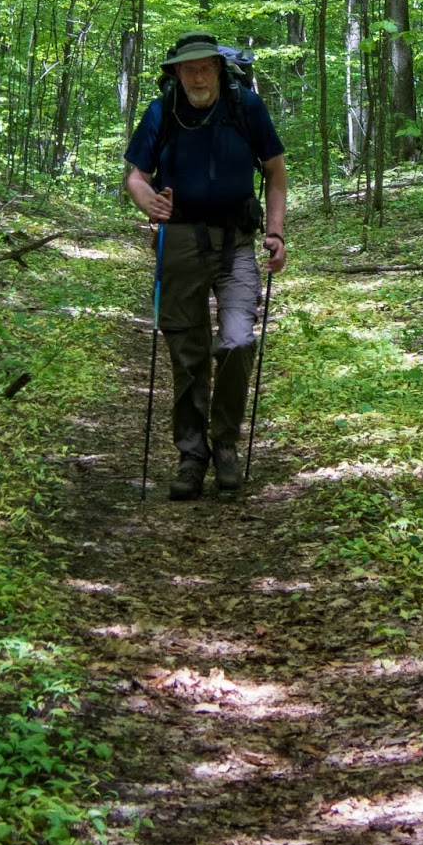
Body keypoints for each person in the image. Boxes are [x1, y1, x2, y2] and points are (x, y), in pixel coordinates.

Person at [125, 32, 287, 500]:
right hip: (179, 242)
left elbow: (275, 172)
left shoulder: (246, 108)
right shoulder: (161, 113)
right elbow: (136, 175)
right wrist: (147, 201)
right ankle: (192, 457)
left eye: (206, 67)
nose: (198, 76)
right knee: (187, 353)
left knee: (237, 340)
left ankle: (226, 446)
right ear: (177, 72)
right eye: (189, 68)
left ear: (219, 68)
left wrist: (275, 232)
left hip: (236, 242)